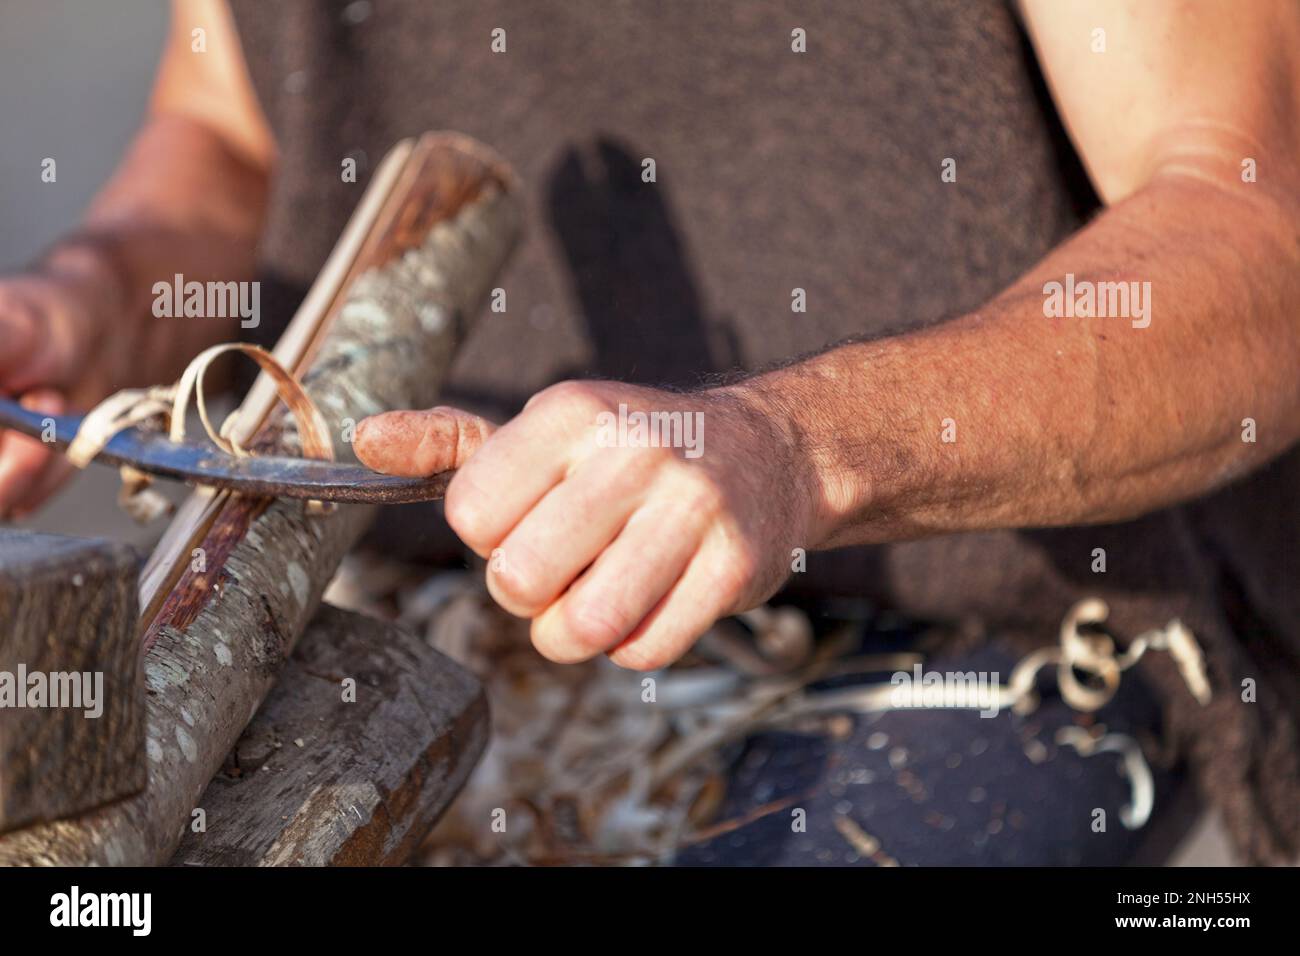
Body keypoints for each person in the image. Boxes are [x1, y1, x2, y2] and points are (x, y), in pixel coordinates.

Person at [2, 0, 1297, 864]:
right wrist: (98, 300)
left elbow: (1256, 229)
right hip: (372, 587)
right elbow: (230, 133)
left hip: (982, 631)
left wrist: (794, 446)